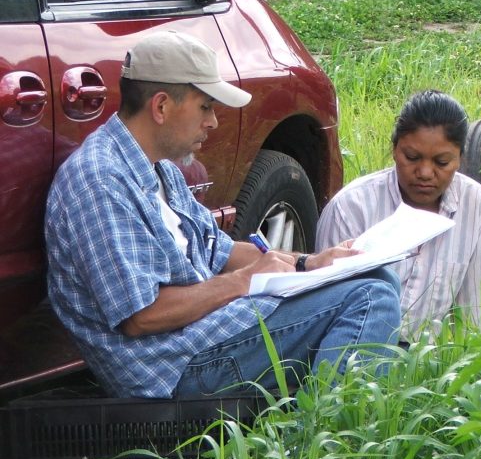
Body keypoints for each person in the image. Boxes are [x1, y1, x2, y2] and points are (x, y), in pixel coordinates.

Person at [45, 31, 400, 399]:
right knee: (370, 298)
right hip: (172, 367)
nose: (213, 122)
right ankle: (331, 437)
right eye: (205, 107)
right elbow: (141, 317)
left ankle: (322, 418)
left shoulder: (159, 168)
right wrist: (242, 282)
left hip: (210, 334)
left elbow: (218, 250)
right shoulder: (100, 180)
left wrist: (310, 263)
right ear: (162, 106)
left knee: (377, 276)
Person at [316, 91, 481, 342]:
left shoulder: (479, 209)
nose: (425, 172)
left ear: (460, 159)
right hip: (354, 359)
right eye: (412, 158)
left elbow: (478, 321)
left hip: (429, 365)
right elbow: (323, 315)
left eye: (442, 162)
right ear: (394, 150)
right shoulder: (351, 208)